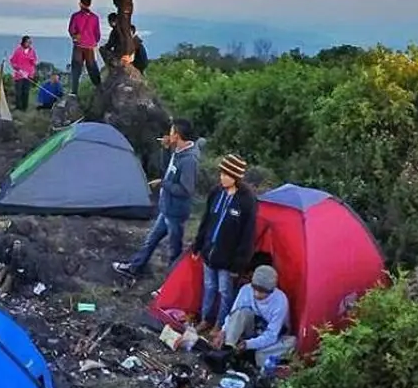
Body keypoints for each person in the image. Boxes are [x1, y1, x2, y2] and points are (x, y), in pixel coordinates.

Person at [113, 119, 200, 276]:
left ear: (178, 135)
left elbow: (186, 190)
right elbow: (166, 169)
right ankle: (135, 268)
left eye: (172, 132)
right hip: (166, 207)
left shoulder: (189, 160)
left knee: (174, 250)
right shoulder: (177, 151)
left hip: (176, 213)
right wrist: (166, 150)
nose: (169, 134)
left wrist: (163, 183)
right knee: (150, 240)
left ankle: (171, 284)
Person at [192, 154, 258, 333]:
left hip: (227, 259)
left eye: (226, 174)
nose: (222, 177)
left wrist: (238, 264)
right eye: (221, 173)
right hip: (209, 252)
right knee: (209, 287)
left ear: (235, 177)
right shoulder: (216, 192)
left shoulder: (247, 200)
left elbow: (247, 235)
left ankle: (219, 325)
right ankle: (205, 319)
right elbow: (206, 220)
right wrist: (197, 245)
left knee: (225, 292)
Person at [211, 264, 296, 370]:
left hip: (270, 339)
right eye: (254, 289)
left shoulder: (280, 301)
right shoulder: (246, 290)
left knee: (291, 342)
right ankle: (228, 349)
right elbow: (233, 315)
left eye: (261, 291)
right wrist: (223, 332)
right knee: (241, 312)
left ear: (271, 290)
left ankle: (250, 356)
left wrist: (249, 344)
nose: (256, 294)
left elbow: (272, 335)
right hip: (250, 332)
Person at [68, 0, 102, 91]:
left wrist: (75, 37)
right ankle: (99, 86)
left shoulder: (75, 16)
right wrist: (94, 41)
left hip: (79, 45)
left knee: (76, 68)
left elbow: (71, 29)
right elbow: (97, 33)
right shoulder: (95, 17)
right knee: (92, 67)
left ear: (81, 4)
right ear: (90, 4)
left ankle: (74, 91)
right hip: (90, 46)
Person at [9, 36, 38, 111]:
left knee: (26, 91)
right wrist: (17, 68)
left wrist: (33, 62)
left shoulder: (32, 51)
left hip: (28, 74)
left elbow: (35, 61)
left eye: (30, 42)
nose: (29, 43)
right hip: (20, 74)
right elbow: (12, 61)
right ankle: (18, 107)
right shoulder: (18, 51)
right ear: (23, 42)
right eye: (27, 42)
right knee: (18, 92)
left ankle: (24, 108)